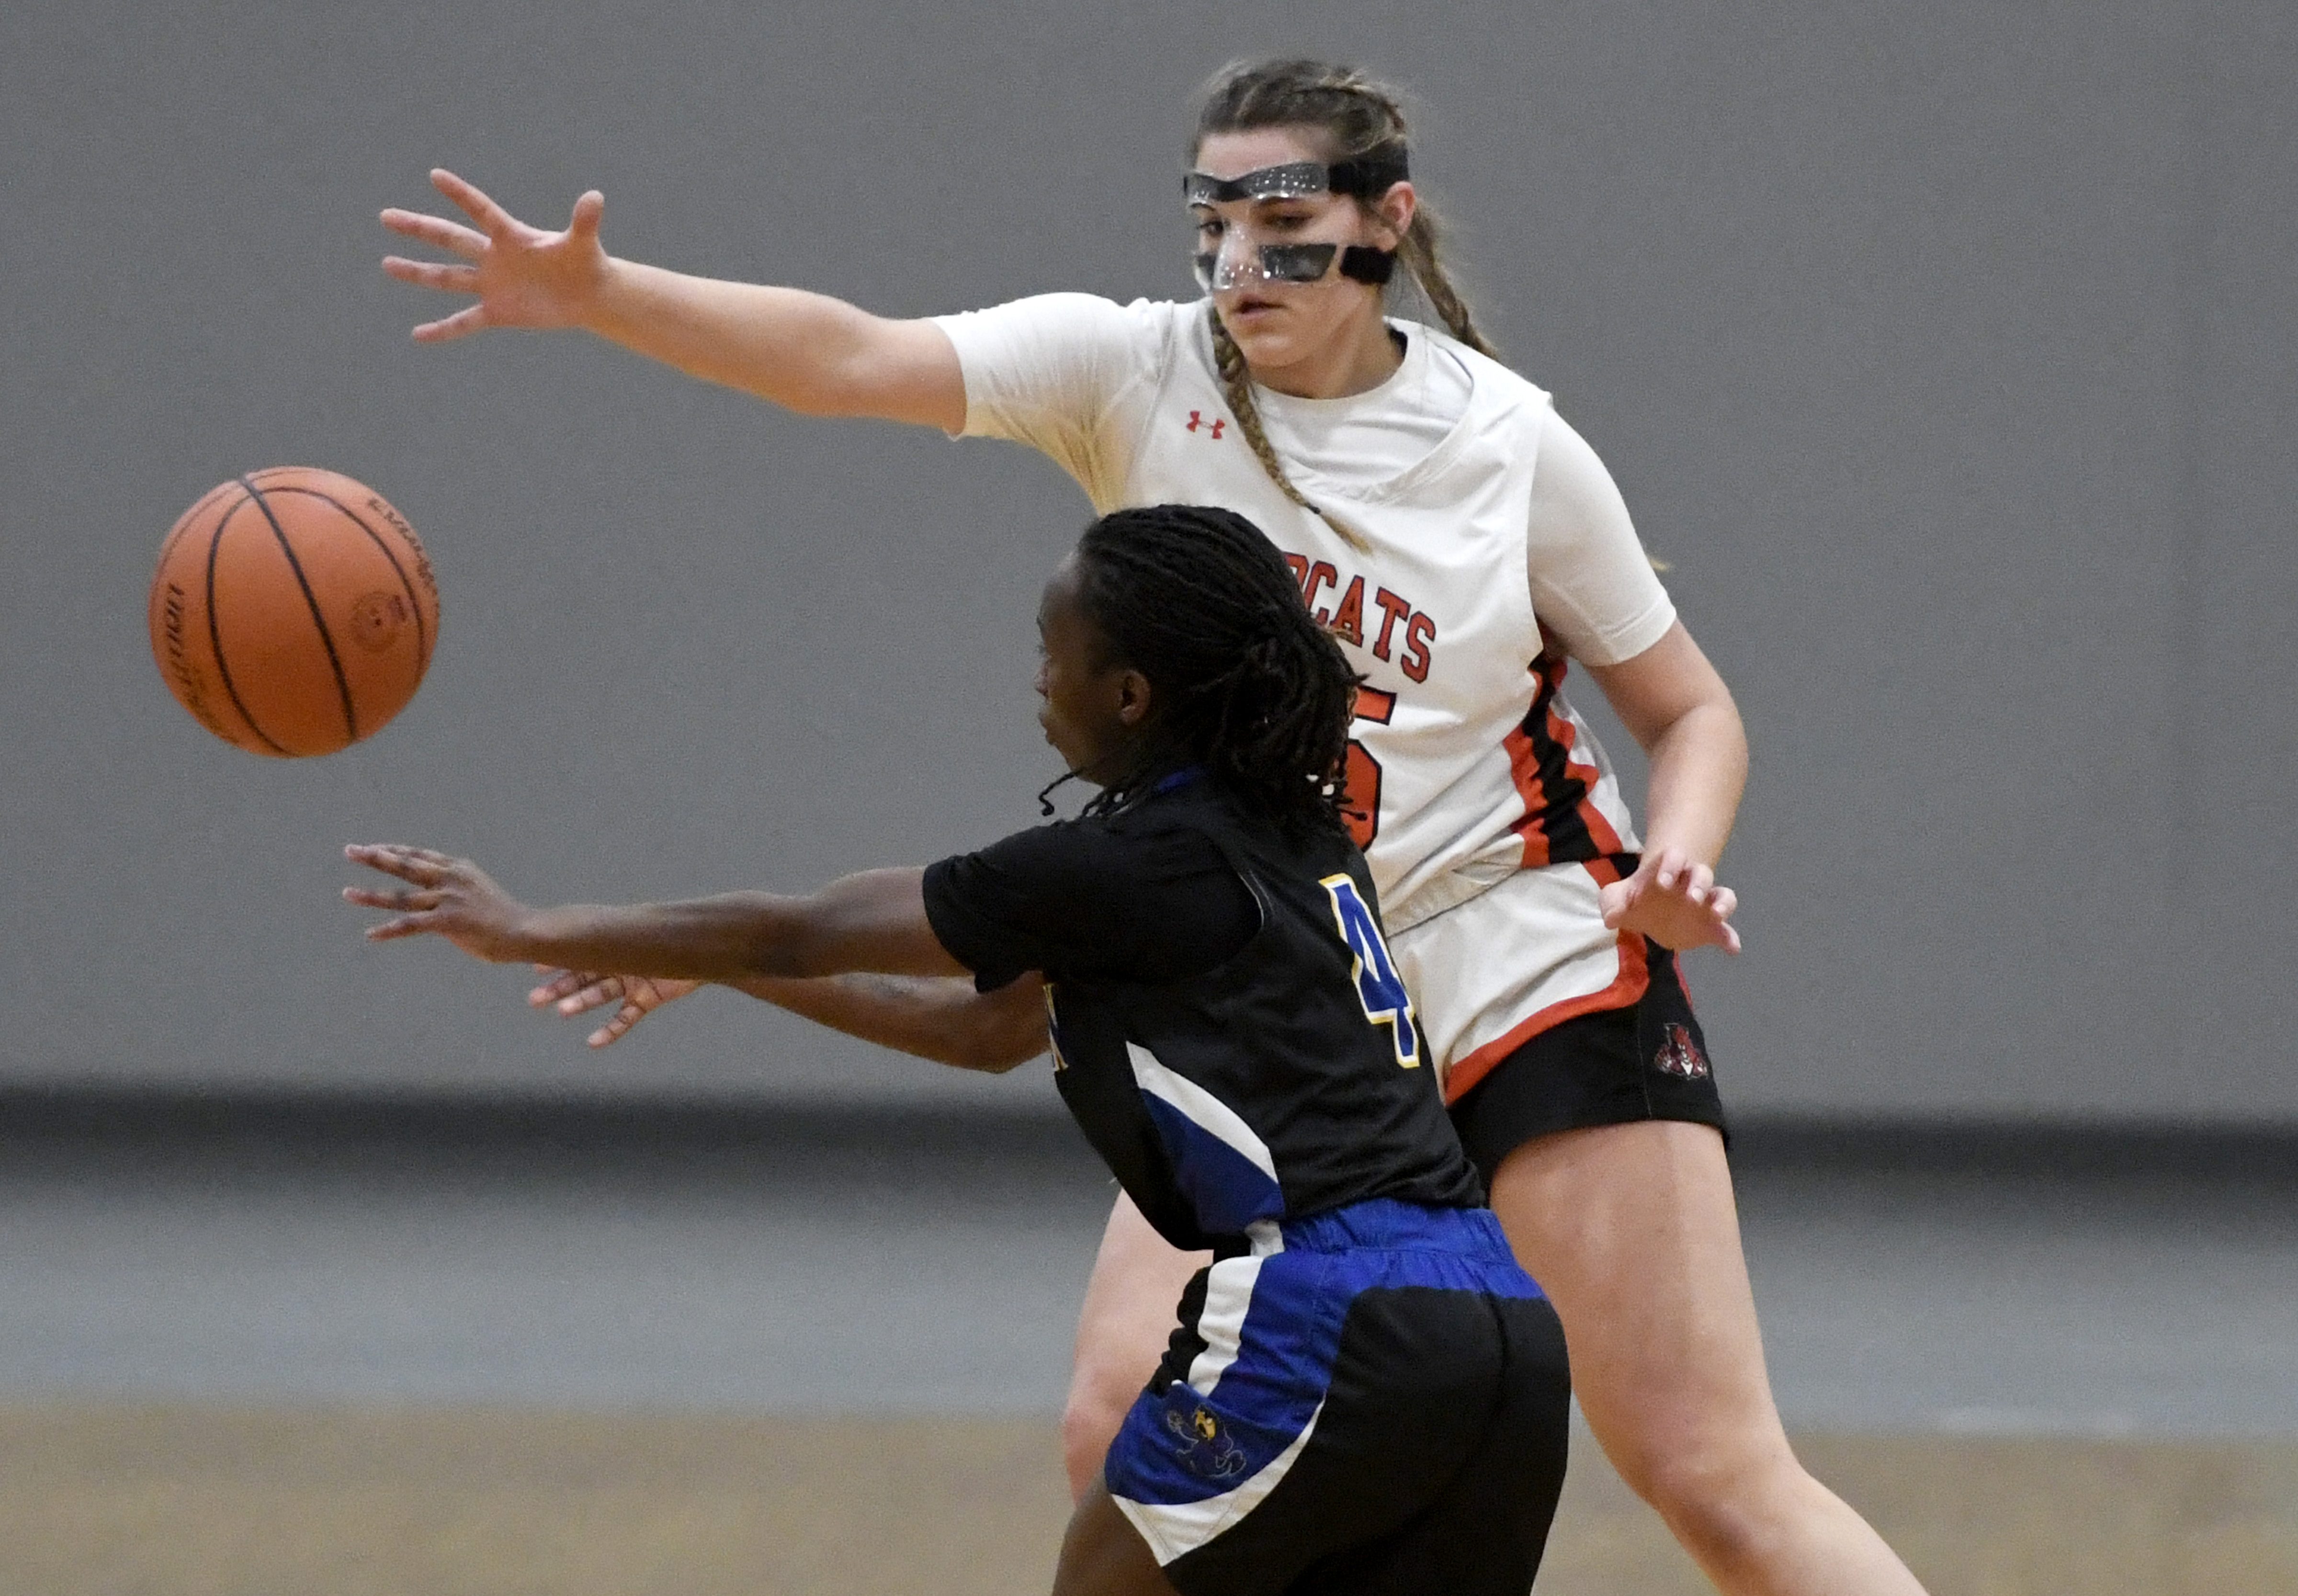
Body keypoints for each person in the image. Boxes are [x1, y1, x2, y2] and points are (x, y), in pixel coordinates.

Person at [380, 58, 1927, 1596]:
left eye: (1287, 224)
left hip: (1522, 939)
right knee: (1122, 1421)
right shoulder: (1136, 370)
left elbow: (1693, 709)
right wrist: (602, 294)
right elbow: (846, 358)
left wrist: (1679, 851)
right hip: (1275, 971)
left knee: (1713, 1472)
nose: (1241, 263)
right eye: (1214, 223)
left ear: (1386, 225)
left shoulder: (1512, 447)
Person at [343, 505, 1574, 1596]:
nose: (1037, 682)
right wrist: (713, 966)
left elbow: (807, 925)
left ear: (1131, 693)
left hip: (1327, 1311)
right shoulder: (1286, 833)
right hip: (1503, 1327)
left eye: (1055, 654)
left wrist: (521, 928)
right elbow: (985, 1030)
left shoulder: (1127, 865)